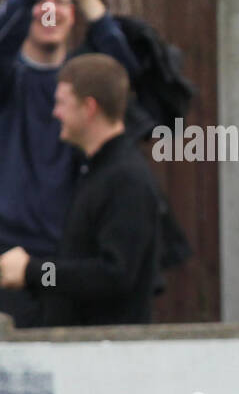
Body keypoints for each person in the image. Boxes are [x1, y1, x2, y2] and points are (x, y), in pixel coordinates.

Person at [0, 0, 139, 327]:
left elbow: (124, 80)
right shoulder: (10, 79)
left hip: (67, 260)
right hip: (8, 258)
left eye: (60, 2)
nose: (49, 9)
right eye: (41, 1)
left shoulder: (84, 84)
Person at [0, 54, 158, 326]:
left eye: (62, 103)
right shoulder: (95, 171)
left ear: (89, 108)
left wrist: (32, 271)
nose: (55, 113)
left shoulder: (125, 179)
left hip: (108, 356)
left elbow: (114, 275)